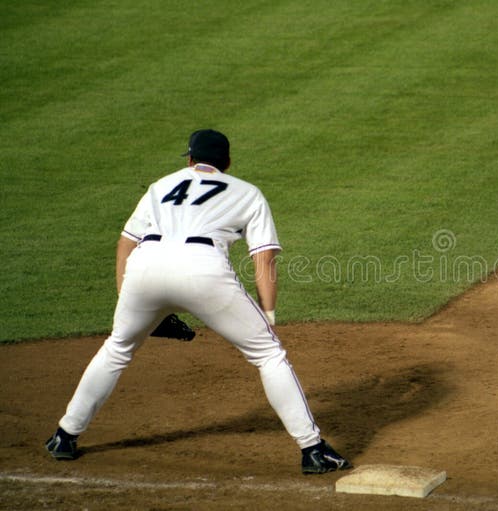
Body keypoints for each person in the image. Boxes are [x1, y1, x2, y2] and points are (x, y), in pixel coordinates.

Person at [45, 129, 351, 473]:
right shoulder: (248, 193)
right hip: (203, 270)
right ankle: (312, 450)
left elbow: (125, 243)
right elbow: (263, 258)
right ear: (228, 163)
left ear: (190, 160)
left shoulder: (161, 185)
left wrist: (130, 302)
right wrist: (268, 316)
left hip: (145, 266)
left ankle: (65, 435)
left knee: (118, 347)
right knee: (268, 353)